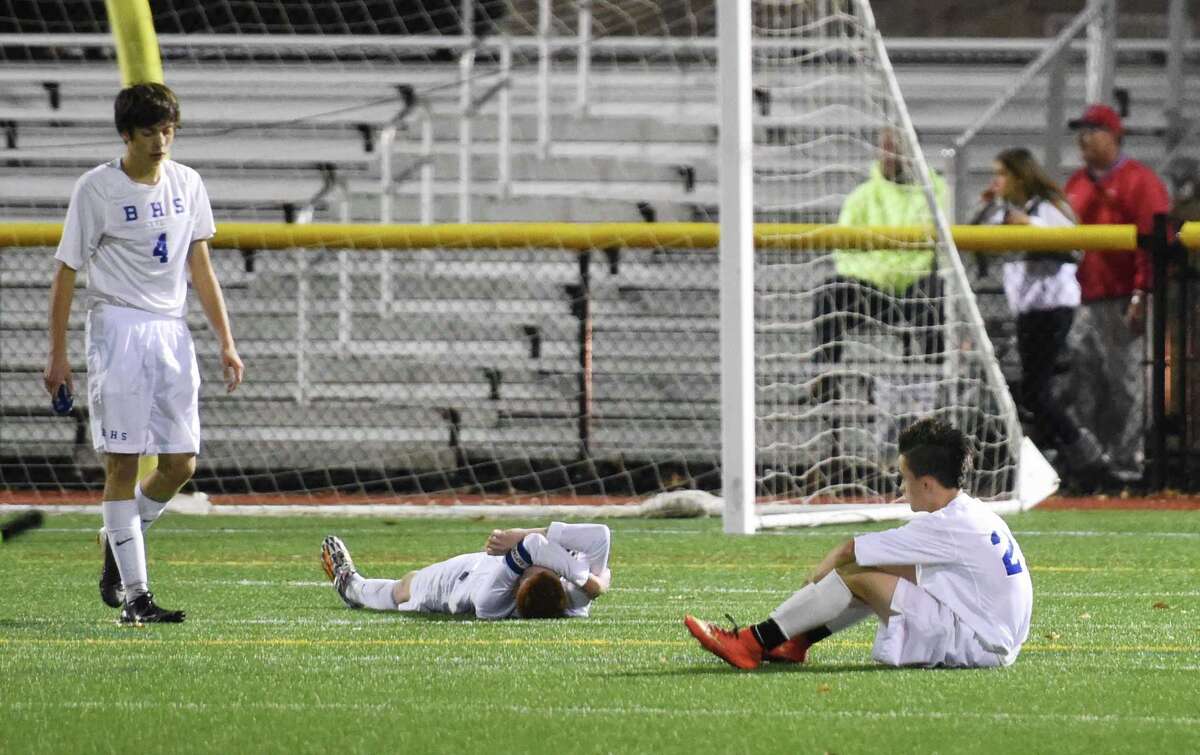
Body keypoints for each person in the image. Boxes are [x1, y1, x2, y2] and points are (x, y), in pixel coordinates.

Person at [43, 82, 244, 624]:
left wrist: (225, 340)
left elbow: (200, 265)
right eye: (151, 131)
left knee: (181, 462)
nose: (161, 141)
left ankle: (116, 541)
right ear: (126, 135)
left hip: (172, 332)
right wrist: (57, 355)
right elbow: (65, 272)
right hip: (119, 329)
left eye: (168, 130)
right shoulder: (96, 190)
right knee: (123, 464)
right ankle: (136, 598)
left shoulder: (188, 183)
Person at [684, 418, 1032, 669]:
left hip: (979, 645)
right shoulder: (971, 513)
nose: (900, 487)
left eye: (905, 478)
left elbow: (848, 549)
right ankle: (794, 642)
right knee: (879, 570)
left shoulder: (947, 525)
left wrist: (817, 578)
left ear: (926, 484)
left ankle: (751, 642)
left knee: (858, 574)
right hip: (992, 640)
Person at [977, 148, 1110, 478]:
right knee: (1035, 392)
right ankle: (1066, 457)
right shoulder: (1008, 210)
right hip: (1028, 310)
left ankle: (1086, 456)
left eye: (1002, 174)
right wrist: (989, 204)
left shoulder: (1046, 208)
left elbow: (1074, 247)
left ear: (1019, 177)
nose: (998, 181)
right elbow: (976, 237)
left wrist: (1032, 226)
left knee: (1037, 391)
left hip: (1053, 308)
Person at [1063, 104, 1171, 484]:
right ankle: (1091, 464)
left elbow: (1155, 241)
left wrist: (1143, 292)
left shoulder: (1139, 180)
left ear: (1115, 135)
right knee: (1085, 383)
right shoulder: (1076, 183)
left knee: (1125, 384)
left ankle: (1127, 465)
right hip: (1083, 298)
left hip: (1124, 296)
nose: (1084, 138)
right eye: (1082, 131)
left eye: (1093, 130)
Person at [812, 126, 949, 384]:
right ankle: (824, 378)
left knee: (937, 291)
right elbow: (845, 252)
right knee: (830, 292)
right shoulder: (861, 197)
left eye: (893, 148)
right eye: (883, 147)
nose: (886, 154)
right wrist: (881, 272)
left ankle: (937, 378)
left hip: (915, 286)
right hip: (872, 289)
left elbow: (938, 250)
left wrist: (896, 268)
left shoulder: (937, 191)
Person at [320, 522, 612, 619]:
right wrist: (590, 585)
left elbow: (534, 545)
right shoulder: (574, 600)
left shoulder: (491, 601)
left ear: (523, 579)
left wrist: (591, 581)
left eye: (534, 570)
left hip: (457, 584)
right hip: (489, 566)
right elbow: (602, 535)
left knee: (405, 587)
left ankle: (351, 586)